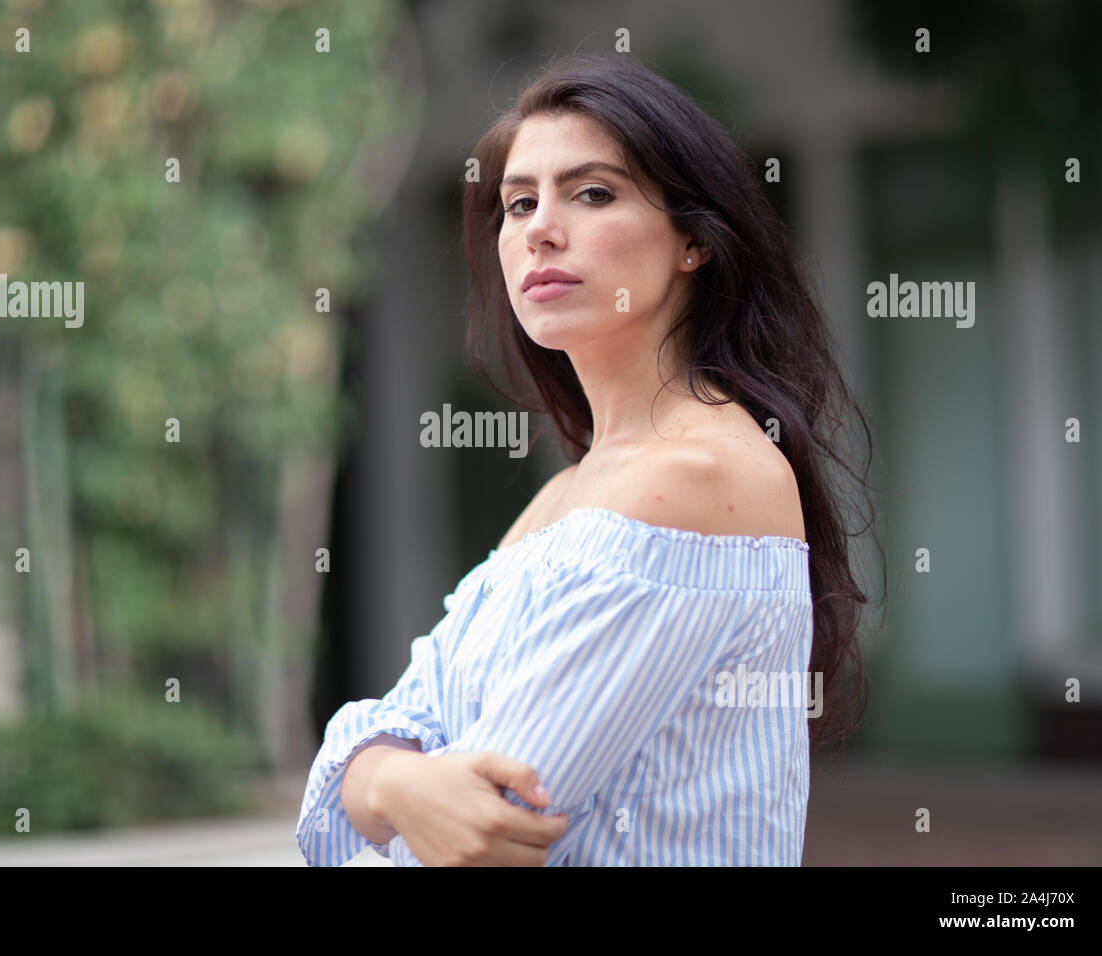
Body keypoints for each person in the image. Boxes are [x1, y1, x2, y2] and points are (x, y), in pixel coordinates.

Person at [296, 53, 880, 866]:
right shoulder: (567, 494)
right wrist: (396, 786)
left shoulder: (695, 478)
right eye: (518, 202)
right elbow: (397, 733)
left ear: (694, 242)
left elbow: (488, 823)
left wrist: (390, 785)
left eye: (593, 193)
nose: (539, 228)